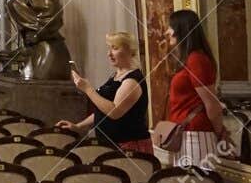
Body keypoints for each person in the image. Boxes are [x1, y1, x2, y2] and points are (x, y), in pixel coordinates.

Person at [56, 32, 152, 153]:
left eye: (115, 48)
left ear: (130, 51)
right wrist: (78, 126)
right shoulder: (116, 76)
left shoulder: (132, 80)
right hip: (111, 145)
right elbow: (102, 110)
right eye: (109, 48)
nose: (109, 54)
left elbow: (114, 111)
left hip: (130, 147)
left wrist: (88, 89)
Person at [162, 9, 228, 167]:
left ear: (181, 29)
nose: (166, 31)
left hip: (196, 135)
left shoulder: (196, 59)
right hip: (184, 135)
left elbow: (211, 104)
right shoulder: (188, 59)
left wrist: (220, 133)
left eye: (170, 26)